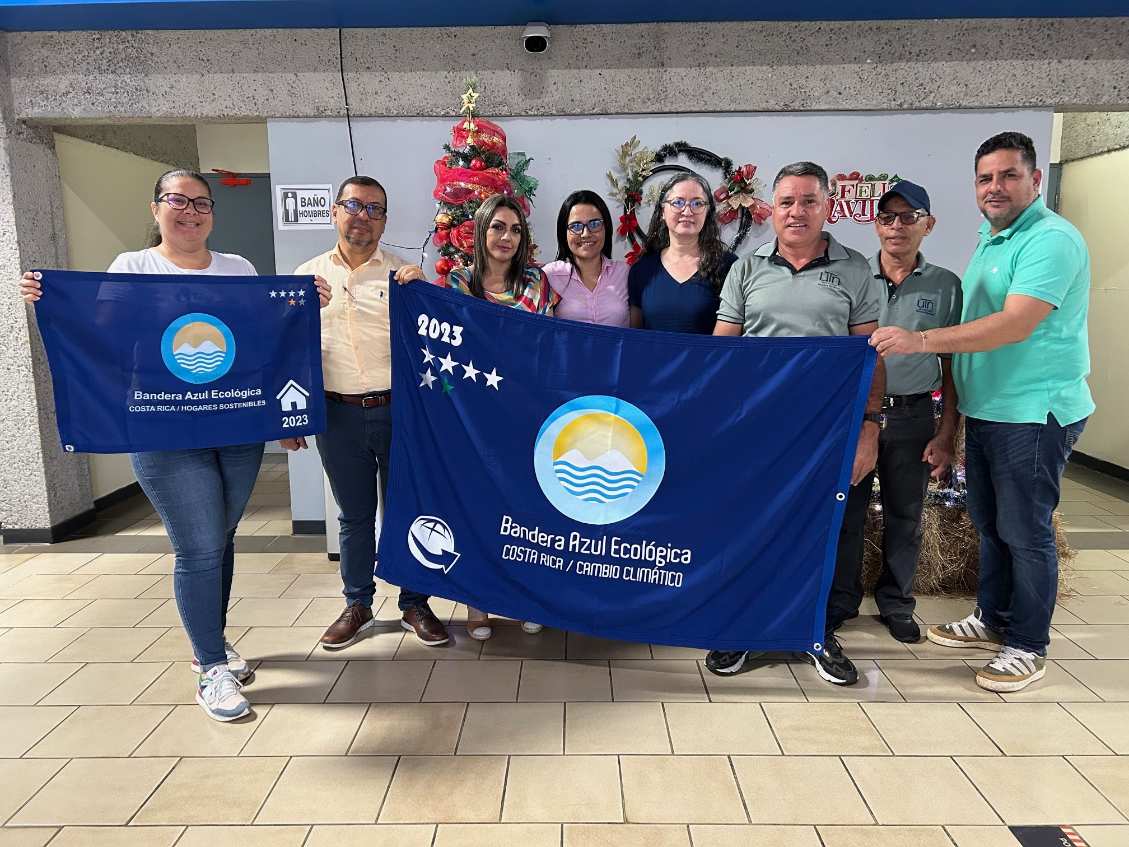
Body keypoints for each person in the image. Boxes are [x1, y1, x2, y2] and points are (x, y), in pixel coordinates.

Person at [19, 168, 330, 722]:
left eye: (201, 203)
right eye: (176, 201)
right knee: (201, 543)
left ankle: (211, 642)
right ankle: (211, 665)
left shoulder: (238, 269)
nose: (190, 211)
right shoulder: (132, 268)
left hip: (235, 427)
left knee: (223, 536)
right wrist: (52, 301)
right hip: (164, 430)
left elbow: (261, 344)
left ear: (213, 212)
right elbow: (100, 332)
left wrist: (304, 309)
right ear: (155, 208)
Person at [871, 131, 1093, 692]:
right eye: (985, 178)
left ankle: (1027, 645)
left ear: (1035, 180)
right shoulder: (993, 241)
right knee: (991, 525)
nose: (995, 187)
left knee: (1027, 530)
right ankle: (993, 617)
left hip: (1034, 411)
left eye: (1008, 175)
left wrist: (922, 343)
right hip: (992, 411)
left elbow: (1016, 323)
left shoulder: (1050, 240)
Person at [706, 161, 886, 686]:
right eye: (786, 201)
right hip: (758, 430)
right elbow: (723, 350)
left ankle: (816, 632)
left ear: (828, 207)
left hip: (829, 431)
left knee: (827, 530)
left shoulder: (854, 270)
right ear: (773, 209)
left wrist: (869, 428)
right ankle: (743, 629)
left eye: (809, 200)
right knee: (750, 527)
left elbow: (872, 356)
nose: (797, 211)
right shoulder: (746, 268)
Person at [284, 176, 450, 651]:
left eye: (374, 208)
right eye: (353, 205)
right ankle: (357, 602)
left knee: (406, 509)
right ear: (335, 212)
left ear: (384, 220)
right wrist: (289, 419)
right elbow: (289, 351)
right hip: (338, 415)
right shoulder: (305, 277)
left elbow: (430, 343)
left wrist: (425, 294)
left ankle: (415, 603)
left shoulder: (403, 274)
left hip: (400, 412)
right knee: (354, 516)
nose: (363, 215)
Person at [436, 193, 558, 640]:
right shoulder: (459, 283)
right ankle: (478, 603)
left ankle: (527, 597)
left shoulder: (537, 283)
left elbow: (549, 345)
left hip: (526, 415)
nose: (506, 237)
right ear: (483, 230)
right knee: (480, 509)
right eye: (498, 227)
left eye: (515, 229)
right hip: (475, 418)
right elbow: (452, 346)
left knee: (529, 510)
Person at [861, 180, 963, 643]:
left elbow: (953, 365)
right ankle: (840, 602)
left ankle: (898, 604)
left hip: (913, 415)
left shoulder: (945, 286)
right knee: (848, 513)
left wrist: (946, 435)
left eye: (908, 216)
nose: (897, 226)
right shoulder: (853, 276)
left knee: (906, 515)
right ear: (876, 224)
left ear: (928, 224)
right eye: (887, 217)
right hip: (858, 416)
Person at [628, 172, 738, 334]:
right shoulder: (642, 269)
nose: (687, 211)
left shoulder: (729, 266)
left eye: (697, 204)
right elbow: (634, 337)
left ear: (708, 213)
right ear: (662, 212)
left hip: (709, 360)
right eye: (678, 202)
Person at [541, 190, 629, 327]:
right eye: (575, 226)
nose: (586, 233)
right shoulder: (549, 275)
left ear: (606, 228)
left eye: (595, 224)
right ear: (564, 233)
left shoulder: (625, 273)